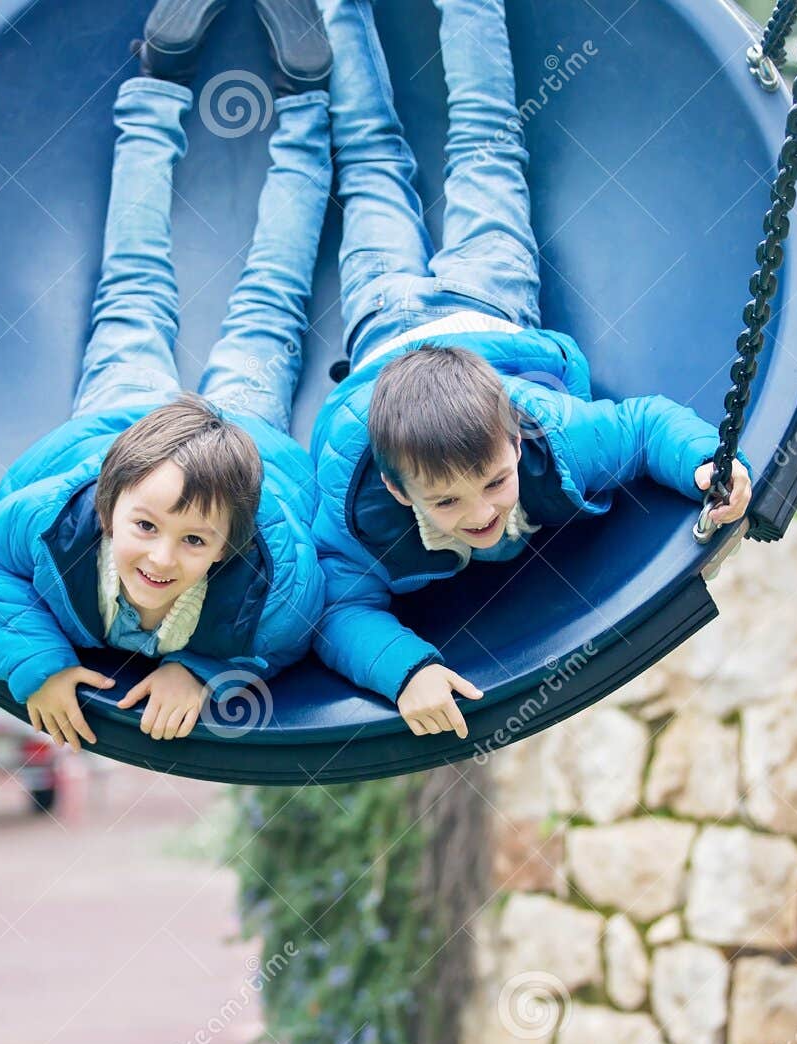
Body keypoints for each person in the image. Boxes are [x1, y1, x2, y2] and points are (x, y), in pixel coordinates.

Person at [309, 0, 752, 739]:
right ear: (397, 487)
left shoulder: (555, 439)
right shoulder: (362, 514)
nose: (481, 513)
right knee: (384, 161)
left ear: (515, 442)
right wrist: (406, 668)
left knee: (451, 148)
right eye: (445, 504)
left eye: (492, 481)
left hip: (471, 305)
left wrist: (704, 460)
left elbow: (642, 429)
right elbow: (335, 607)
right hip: (402, 329)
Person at [0, 0, 332, 745]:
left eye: (197, 542)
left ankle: (293, 102)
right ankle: (188, 82)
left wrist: (201, 667)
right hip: (128, 417)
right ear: (106, 508)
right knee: (261, 308)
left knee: (151, 285)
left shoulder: (275, 582)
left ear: (233, 543)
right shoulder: (48, 521)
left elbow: (296, 634)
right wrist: (36, 663)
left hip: (239, 448)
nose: (162, 557)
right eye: (144, 526)